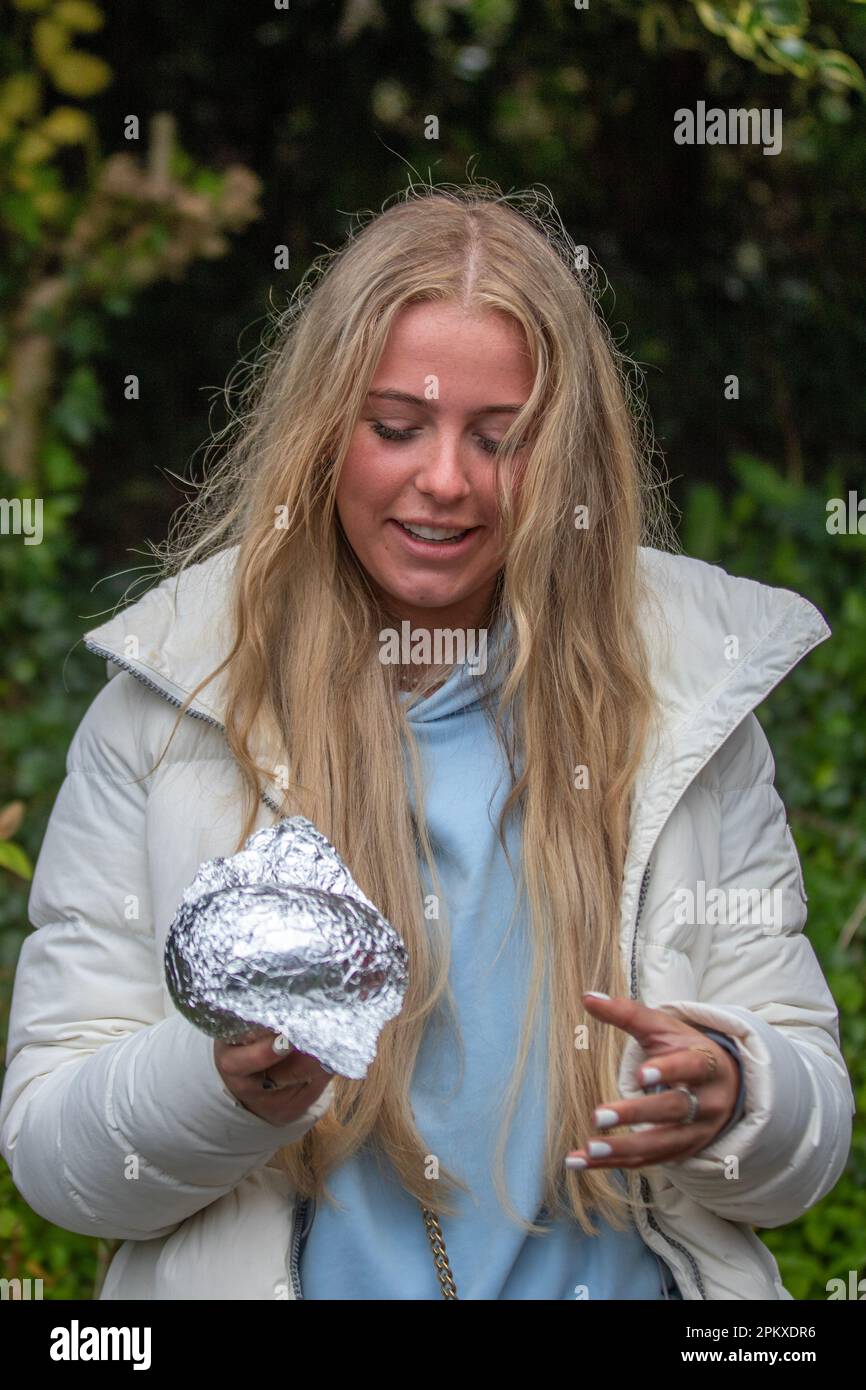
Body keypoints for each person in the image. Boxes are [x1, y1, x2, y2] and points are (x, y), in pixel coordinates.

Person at [0, 182, 854, 1301]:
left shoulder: (685, 699)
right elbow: (58, 1163)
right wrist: (223, 1089)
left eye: (499, 439)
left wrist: (737, 1092)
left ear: (566, 459)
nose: (443, 480)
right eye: (396, 426)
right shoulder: (172, 706)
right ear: (323, 433)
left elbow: (806, 1142)